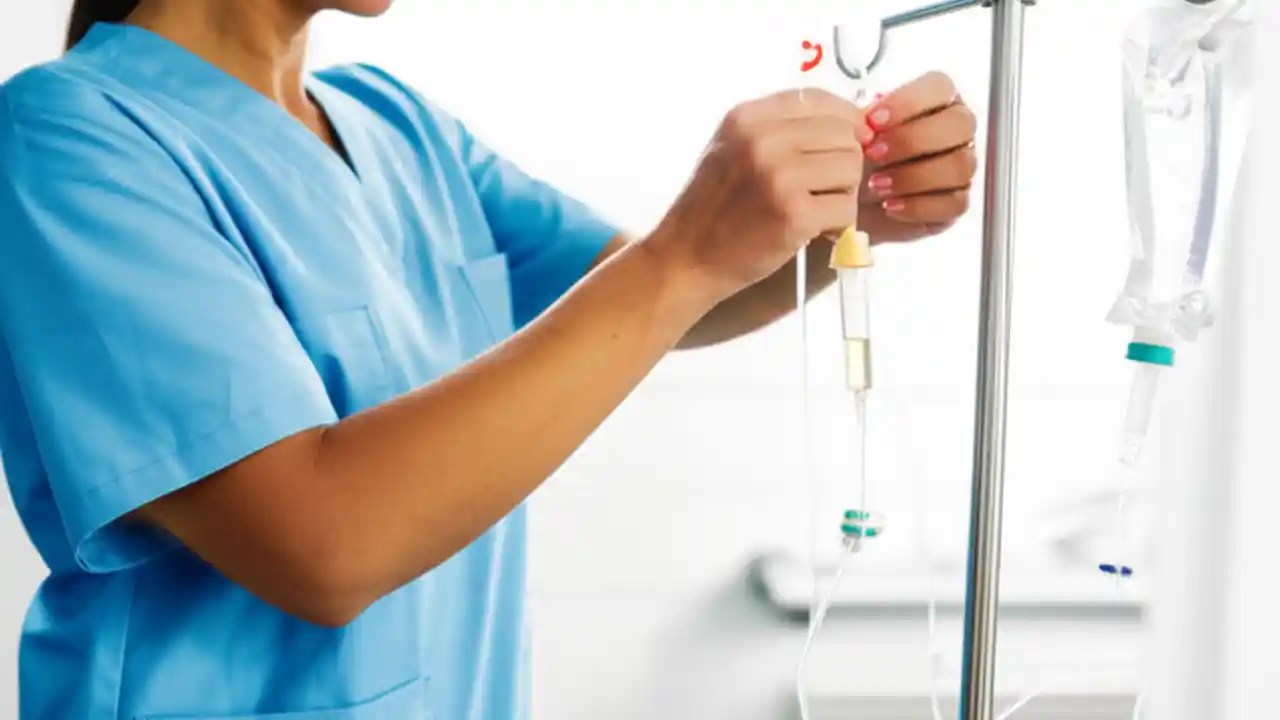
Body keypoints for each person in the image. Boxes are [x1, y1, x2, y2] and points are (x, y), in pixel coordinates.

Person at [0, 1, 978, 718]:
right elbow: (321, 546)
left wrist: (845, 217)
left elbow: (653, 304)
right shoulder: (70, 136)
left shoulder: (393, 125)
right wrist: (691, 251)